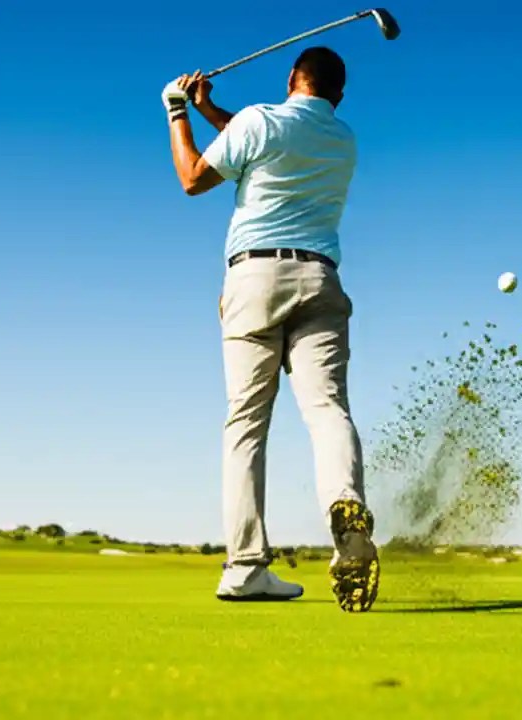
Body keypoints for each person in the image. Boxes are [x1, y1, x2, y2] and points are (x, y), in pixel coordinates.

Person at [161, 47, 379, 612]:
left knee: (246, 425)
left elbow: (193, 178)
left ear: (290, 78)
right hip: (320, 279)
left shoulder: (260, 120)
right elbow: (257, 141)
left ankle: (246, 567)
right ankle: (347, 509)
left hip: (255, 278)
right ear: (338, 95)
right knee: (328, 410)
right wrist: (214, 112)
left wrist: (178, 110)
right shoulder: (343, 139)